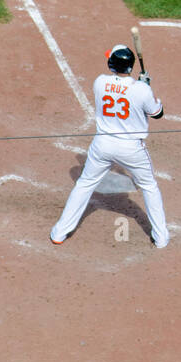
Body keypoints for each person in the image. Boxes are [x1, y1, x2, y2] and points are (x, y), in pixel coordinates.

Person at [50, 44, 169, 248]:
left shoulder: (99, 82)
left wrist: (141, 86)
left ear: (112, 64)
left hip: (102, 145)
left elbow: (120, 90)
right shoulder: (141, 90)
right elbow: (157, 113)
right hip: (131, 149)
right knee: (149, 186)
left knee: (85, 184)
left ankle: (59, 233)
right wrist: (146, 86)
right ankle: (161, 238)